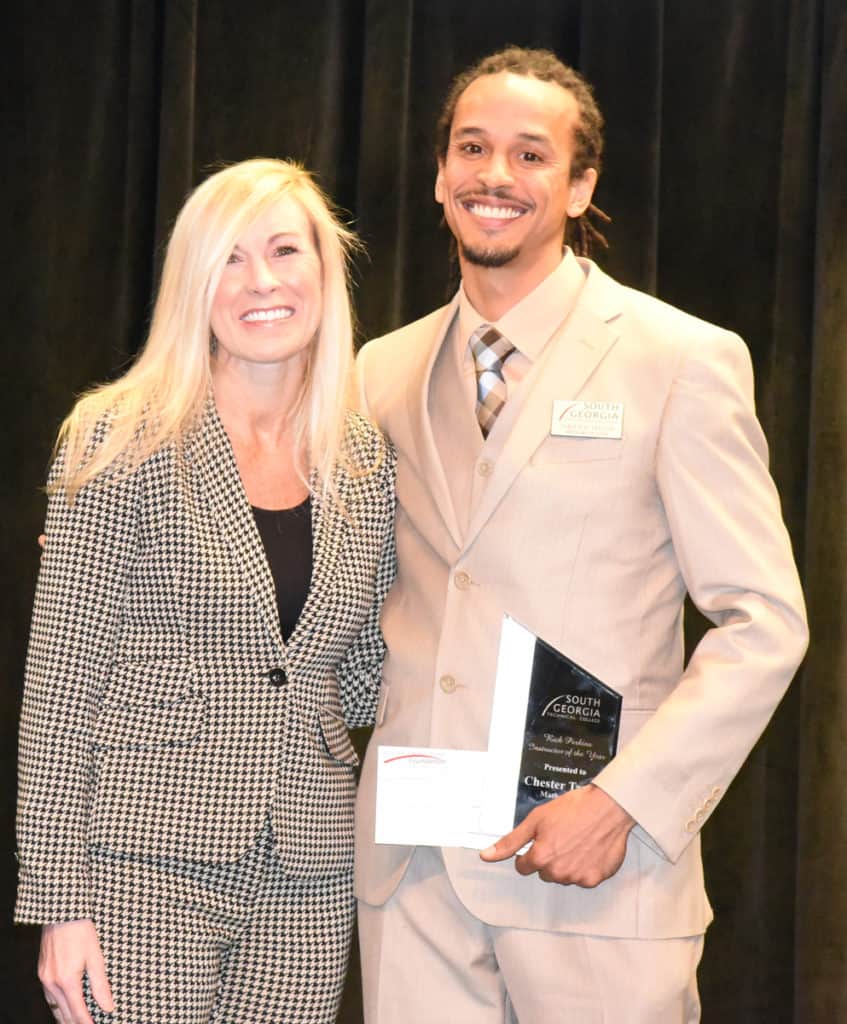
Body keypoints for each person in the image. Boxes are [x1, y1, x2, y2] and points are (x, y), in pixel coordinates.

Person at [353, 46, 808, 1022]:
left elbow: (764, 621)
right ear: (439, 175)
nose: (495, 175)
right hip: (415, 877)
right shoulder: (377, 372)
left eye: (530, 155)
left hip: (596, 867)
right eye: (471, 148)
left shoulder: (678, 360)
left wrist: (626, 802)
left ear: (579, 185)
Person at [16, 158, 396, 1024]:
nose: (261, 280)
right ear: (193, 282)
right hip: (141, 868)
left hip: (307, 877)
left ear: (324, 271)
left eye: (283, 251)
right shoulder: (119, 437)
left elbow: (364, 677)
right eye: (229, 257)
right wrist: (60, 901)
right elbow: (61, 688)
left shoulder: (367, 460)